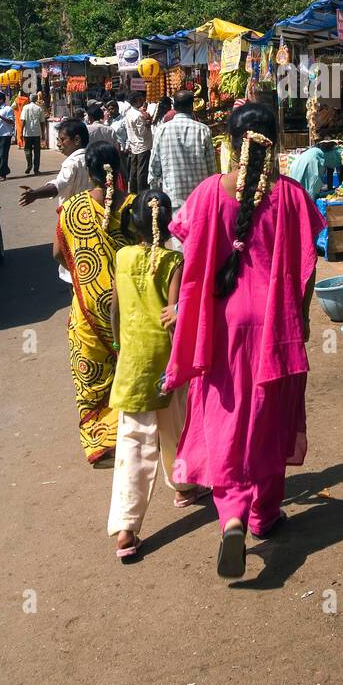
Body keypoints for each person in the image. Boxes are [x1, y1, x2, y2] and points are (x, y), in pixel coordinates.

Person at [161, 103, 324, 580]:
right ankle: (264, 514)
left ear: (231, 144)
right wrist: (303, 318)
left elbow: (186, 255)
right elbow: (306, 267)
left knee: (226, 416)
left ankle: (232, 512)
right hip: (273, 324)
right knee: (269, 414)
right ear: (274, 143)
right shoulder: (291, 195)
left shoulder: (211, 192)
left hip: (224, 324)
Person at [107, 190, 204, 558]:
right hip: (167, 358)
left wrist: (119, 346)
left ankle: (126, 531)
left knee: (133, 444)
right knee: (174, 425)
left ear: (133, 224)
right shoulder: (173, 260)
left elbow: (115, 309)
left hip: (133, 361)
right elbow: (173, 312)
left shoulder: (122, 256)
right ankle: (183, 485)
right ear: (168, 225)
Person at [53, 142, 135, 466]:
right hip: (127, 310)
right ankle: (127, 435)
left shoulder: (71, 209)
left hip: (86, 314)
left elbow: (58, 254)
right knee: (124, 374)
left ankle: (100, 444)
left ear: (88, 172)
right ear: (120, 169)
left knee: (90, 380)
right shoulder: (131, 207)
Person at [19, 118, 92, 281]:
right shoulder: (92, 157)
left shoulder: (71, 163)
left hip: (73, 220)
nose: (59, 144)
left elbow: (58, 185)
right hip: (92, 216)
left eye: (62, 139)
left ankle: (77, 276)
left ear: (77, 140)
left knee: (63, 255)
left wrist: (35, 194)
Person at [148, 90, 217, 216]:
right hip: (200, 196)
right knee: (197, 232)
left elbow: (154, 167)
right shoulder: (203, 130)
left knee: (177, 232)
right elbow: (212, 169)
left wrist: (155, 193)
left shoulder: (162, 130)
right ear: (192, 107)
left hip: (173, 195)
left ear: (174, 107)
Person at [124, 89, 153, 192]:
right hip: (143, 145)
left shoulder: (129, 113)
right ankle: (142, 192)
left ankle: (133, 190)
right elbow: (142, 132)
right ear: (136, 100)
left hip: (134, 145)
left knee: (134, 170)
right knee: (142, 171)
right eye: (140, 99)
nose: (142, 101)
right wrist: (148, 124)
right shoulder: (138, 115)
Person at [20, 92, 47, 175]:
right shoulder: (39, 108)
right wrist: (43, 134)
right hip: (36, 133)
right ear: (36, 99)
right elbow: (42, 122)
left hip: (27, 133)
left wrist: (21, 132)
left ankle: (29, 164)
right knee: (37, 152)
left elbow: (23, 121)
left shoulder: (25, 107)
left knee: (27, 150)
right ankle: (36, 169)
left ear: (29, 99)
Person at [0, 93, 15, 180]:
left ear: (1, 100)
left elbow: (12, 121)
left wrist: (1, 117)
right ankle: (4, 169)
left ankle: (2, 174)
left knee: (3, 154)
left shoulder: (8, 109)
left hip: (5, 135)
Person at [12, 86, 29, 154]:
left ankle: (19, 144)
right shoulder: (27, 99)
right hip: (25, 116)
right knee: (25, 130)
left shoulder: (17, 99)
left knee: (19, 130)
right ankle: (25, 143)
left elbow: (13, 107)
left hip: (18, 116)